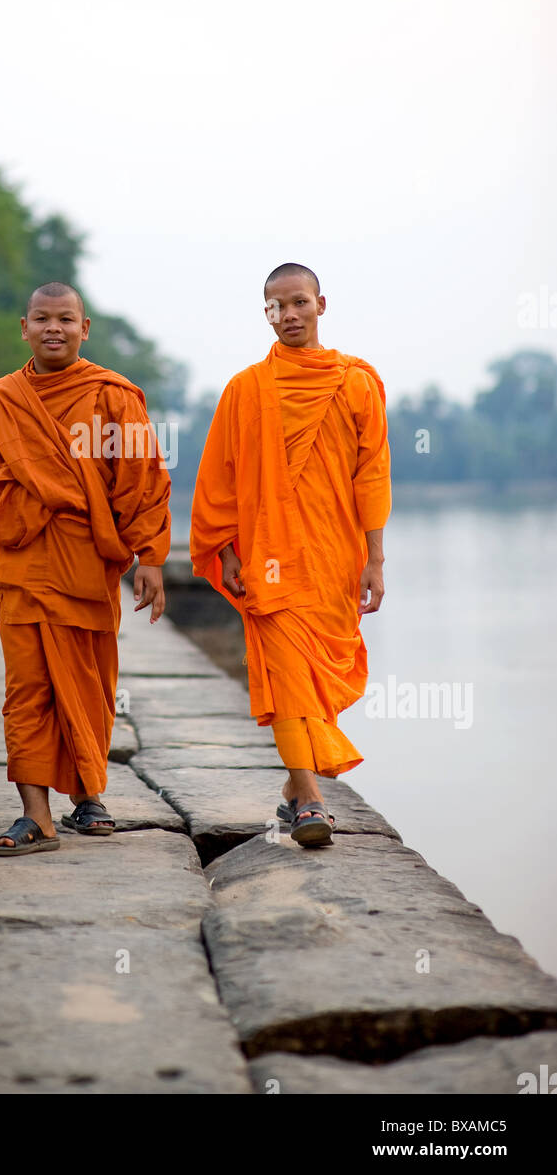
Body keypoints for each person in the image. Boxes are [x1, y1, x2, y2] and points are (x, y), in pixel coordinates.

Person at [0, 281, 170, 855]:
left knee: (89, 684)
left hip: (84, 567)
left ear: (84, 328)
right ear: (23, 327)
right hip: (20, 568)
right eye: (42, 318)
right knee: (26, 690)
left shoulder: (112, 397)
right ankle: (34, 814)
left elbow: (141, 480)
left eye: (65, 319)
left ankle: (87, 796)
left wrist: (150, 557)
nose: (54, 328)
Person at [189, 264, 391, 847]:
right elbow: (218, 477)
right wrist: (224, 548)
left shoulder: (357, 382)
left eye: (299, 302)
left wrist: (374, 559)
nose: (289, 315)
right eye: (276, 307)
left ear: (321, 305)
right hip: (267, 559)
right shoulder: (245, 389)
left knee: (316, 683)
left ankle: (292, 791)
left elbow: (371, 475)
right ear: (267, 313)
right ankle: (310, 801)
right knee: (287, 676)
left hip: (333, 556)